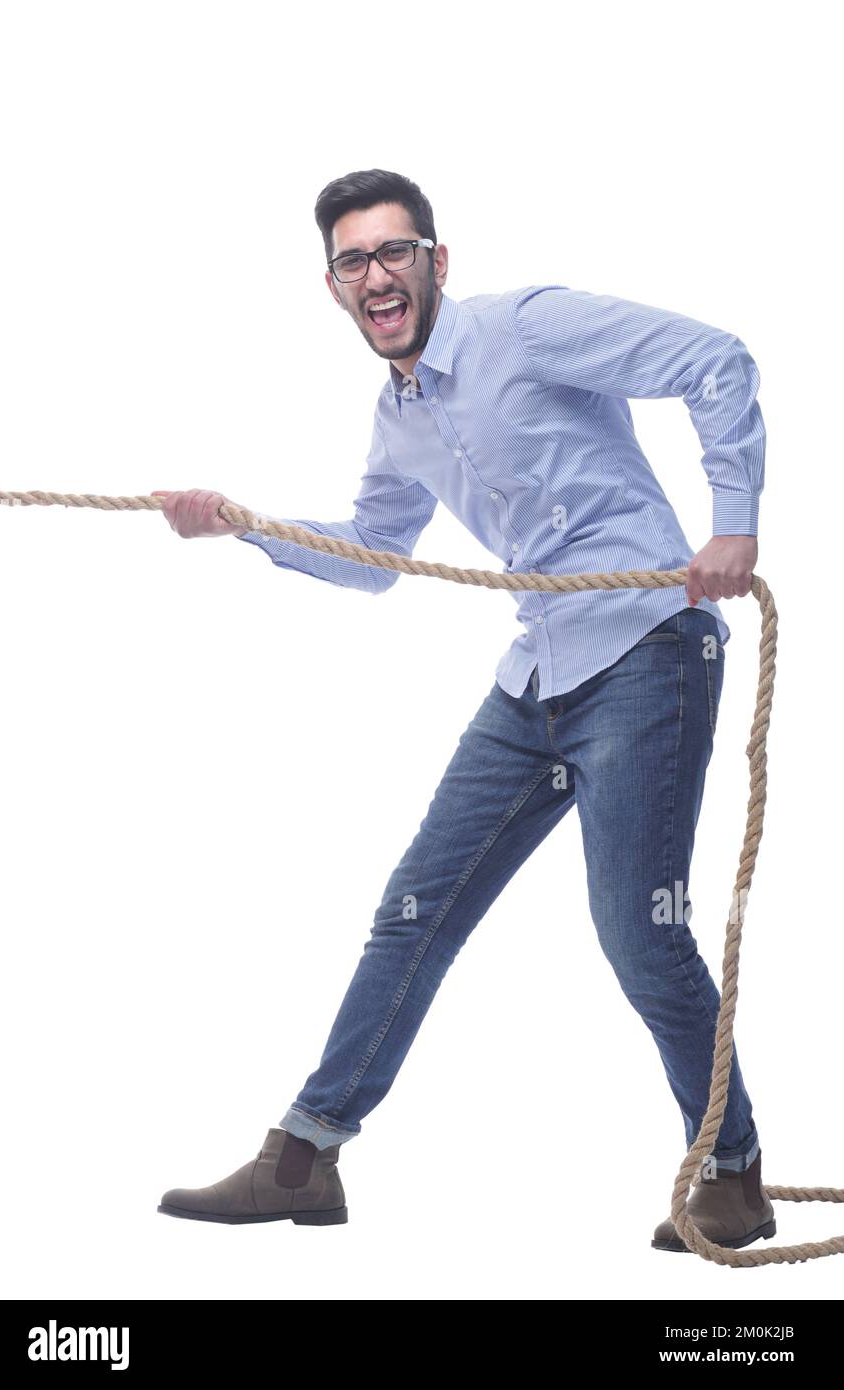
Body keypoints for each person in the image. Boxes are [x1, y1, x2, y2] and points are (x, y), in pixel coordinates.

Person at [154, 168, 775, 1252]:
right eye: (352, 262)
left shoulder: (527, 328)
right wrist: (243, 524)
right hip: (532, 680)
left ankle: (729, 1171)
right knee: (412, 909)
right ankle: (303, 1156)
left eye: (393, 252)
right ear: (335, 289)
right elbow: (375, 557)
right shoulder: (396, 418)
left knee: (638, 931)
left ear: (436, 262)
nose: (375, 275)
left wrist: (731, 523)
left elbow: (715, 360)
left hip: (644, 650)